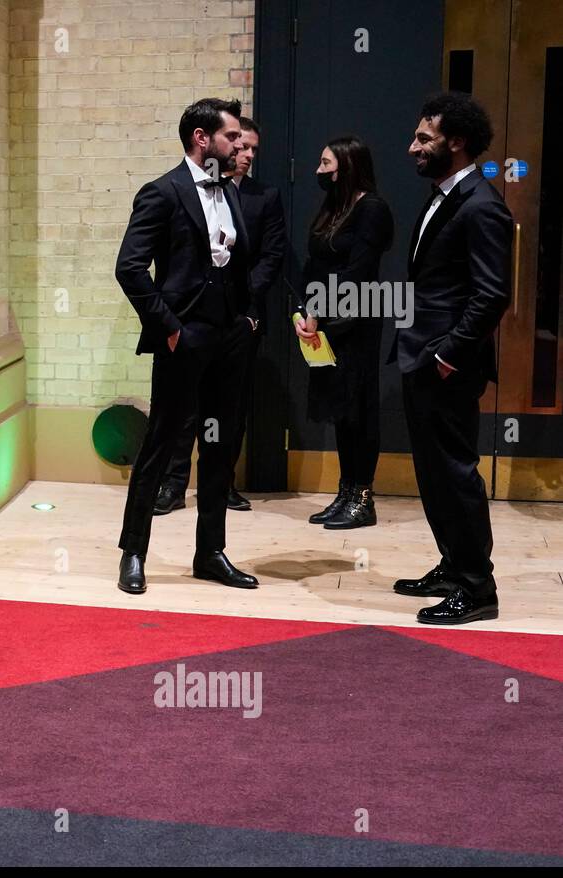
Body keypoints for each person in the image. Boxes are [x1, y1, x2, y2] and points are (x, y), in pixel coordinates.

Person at [113, 98, 258, 595]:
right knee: (160, 444)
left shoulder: (232, 192)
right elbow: (129, 268)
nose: (240, 145)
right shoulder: (162, 193)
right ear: (202, 138)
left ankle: (210, 553)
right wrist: (171, 328)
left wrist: (247, 319)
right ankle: (133, 552)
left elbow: (239, 263)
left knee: (219, 448)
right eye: (232, 137)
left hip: (229, 340)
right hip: (184, 339)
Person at [390, 91, 512, 625]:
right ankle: (452, 564)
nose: (412, 146)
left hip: (447, 366)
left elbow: (492, 294)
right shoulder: (443, 196)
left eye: (424, 138)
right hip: (422, 358)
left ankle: (476, 586)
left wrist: (447, 355)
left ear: (455, 143)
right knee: (434, 472)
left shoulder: (483, 205)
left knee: (456, 473)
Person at [156, 116, 287, 516]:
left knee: (229, 409)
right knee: (183, 407)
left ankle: (221, 483)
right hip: (194, 320)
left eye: (250, 149)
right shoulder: (183, 190)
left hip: (240, 317)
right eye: (239, 144)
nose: (244, 154)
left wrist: (246, 307)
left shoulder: (263, 197)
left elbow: (271, 255)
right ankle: (174, 484)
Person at [294, 136, 394, 529]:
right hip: (324, 323)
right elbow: (313, 265)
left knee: (359, 410)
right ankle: (345, 492)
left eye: (325, 164)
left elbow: (358, 273)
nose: (319, 171)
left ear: (347, 166)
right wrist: (304, 310)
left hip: (356, 322)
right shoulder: (333, 208)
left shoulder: (372, 209)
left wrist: (320, 314)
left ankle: (363, 497)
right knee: (340, 410)